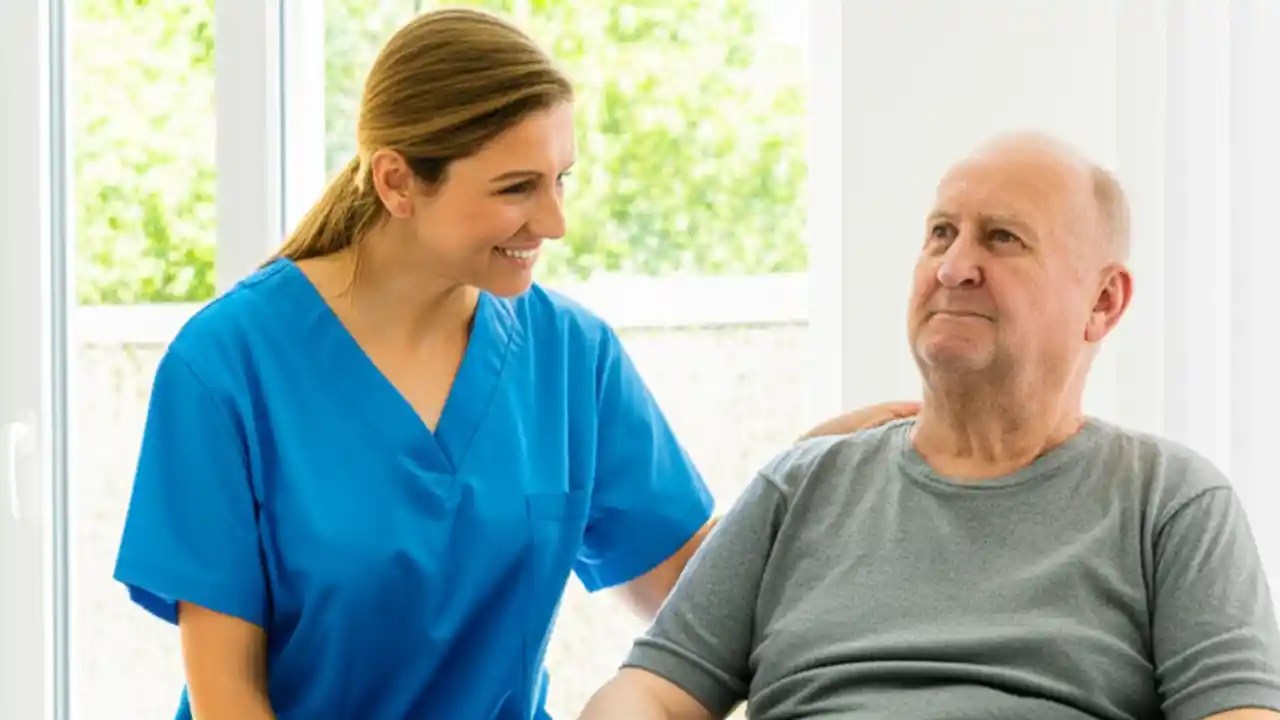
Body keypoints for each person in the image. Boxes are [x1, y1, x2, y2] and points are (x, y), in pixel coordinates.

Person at [110, 8, 914, 720]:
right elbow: (227, 699)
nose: (554, 221)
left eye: (560, 180)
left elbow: (689, 592)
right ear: (397, 181)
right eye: (516, 188)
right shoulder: (227, 367)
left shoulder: (570, 357)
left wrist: (805, 475)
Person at [579, 133, 1280, 720]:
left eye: (1002, 239)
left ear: (1102, 301)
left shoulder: (1169, 500)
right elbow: (650, 692)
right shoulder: (800, 484)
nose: (954, 267)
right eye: (941, 233)